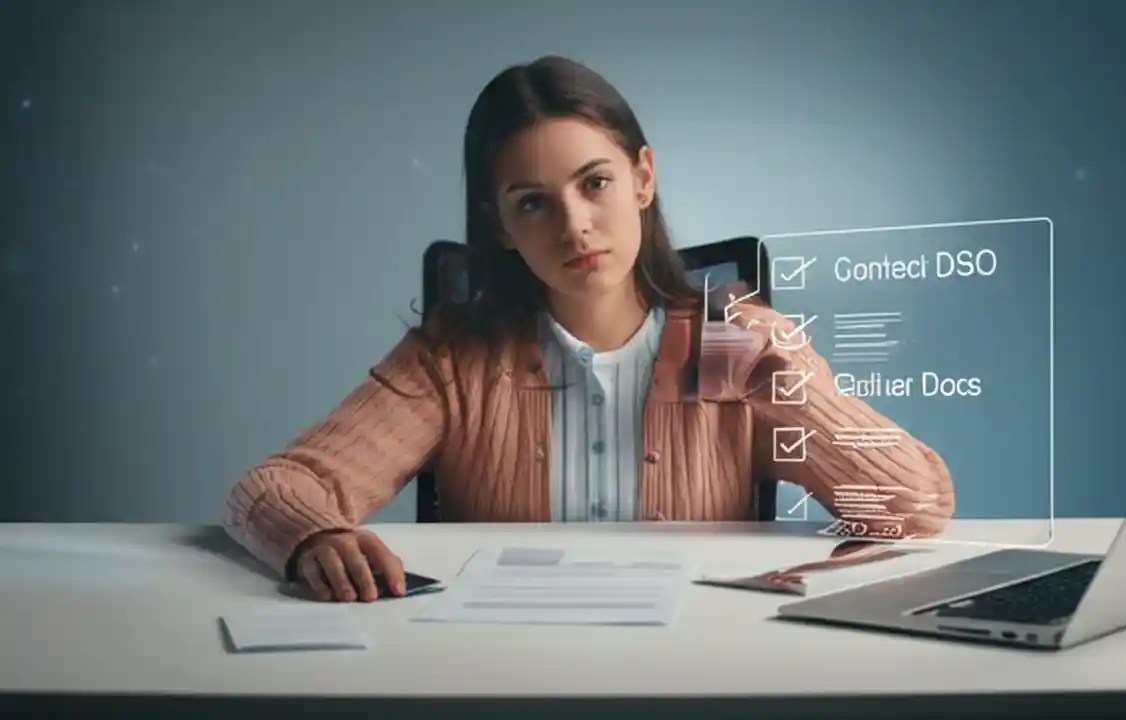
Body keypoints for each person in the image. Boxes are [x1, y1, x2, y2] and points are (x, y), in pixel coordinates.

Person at [221, 55, 955, 603]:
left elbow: (918, 509)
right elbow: (271, 487)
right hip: (502, 670)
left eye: (595, 183)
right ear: (500, 226)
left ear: (642, 179)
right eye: (532, 203)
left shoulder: (739, 339)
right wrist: (315, 536)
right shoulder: (452, 360)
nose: (574, 225)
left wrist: (790, 395)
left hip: (697, 666)